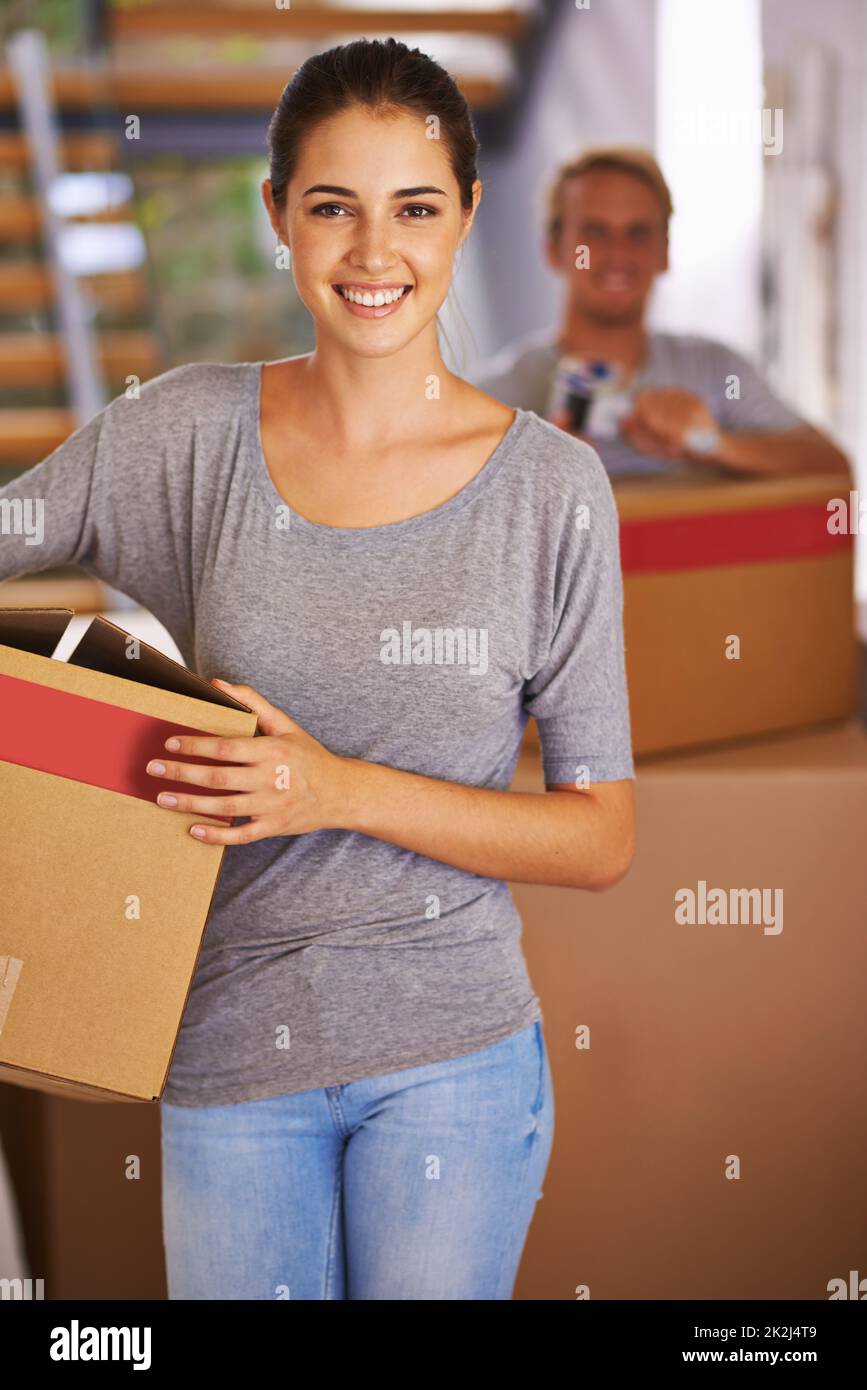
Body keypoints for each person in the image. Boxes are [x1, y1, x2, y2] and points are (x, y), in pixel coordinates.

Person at [0, 39, 635, 1300]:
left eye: (415, 207)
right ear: (277, 214)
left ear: (468, 215)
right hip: (233, 1052)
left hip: (455, 1060)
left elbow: (601, 835)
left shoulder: (555, 493)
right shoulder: (185, 435)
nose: (372, 253)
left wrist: (334, 789)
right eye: (332, 206)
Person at [472, 146, 851, 479]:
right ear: (554, 249)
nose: (618, 254)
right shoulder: (492, 400)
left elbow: (832, 465)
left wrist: (708, 444)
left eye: (638, 233)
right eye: (596, 232)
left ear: (664, 252)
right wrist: (536, 479)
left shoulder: (718, 372)